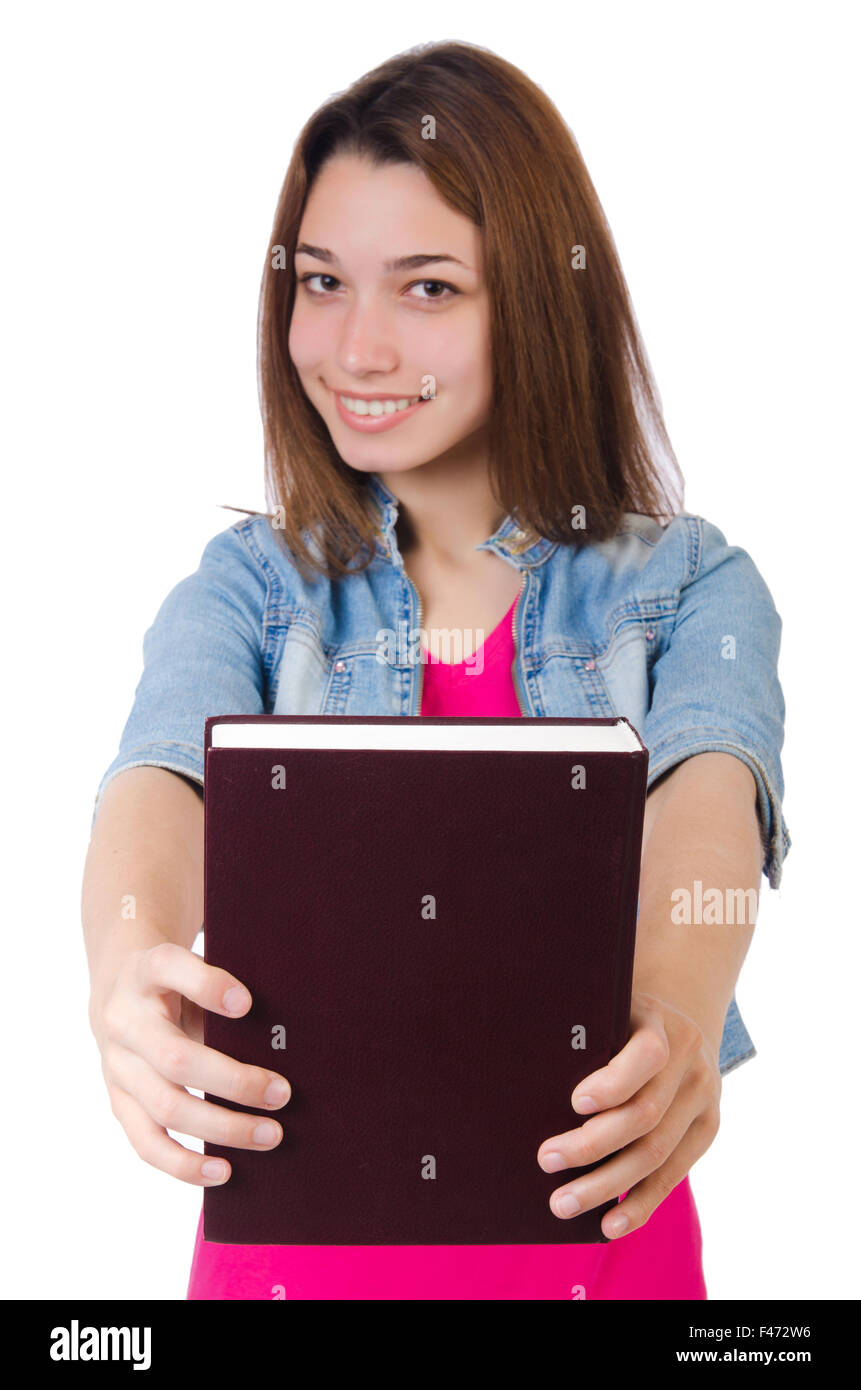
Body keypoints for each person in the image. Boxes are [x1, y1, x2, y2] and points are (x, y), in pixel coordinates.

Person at [82, 40, 790, 1300]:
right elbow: (158, 777)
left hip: (600, 1273)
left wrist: (678, 1011)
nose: (355, 349)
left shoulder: (689, 585)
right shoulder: (252, 585)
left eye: (427, 289)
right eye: (320, 282)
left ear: (537, 294)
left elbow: (711, 796)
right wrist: (127, 963)